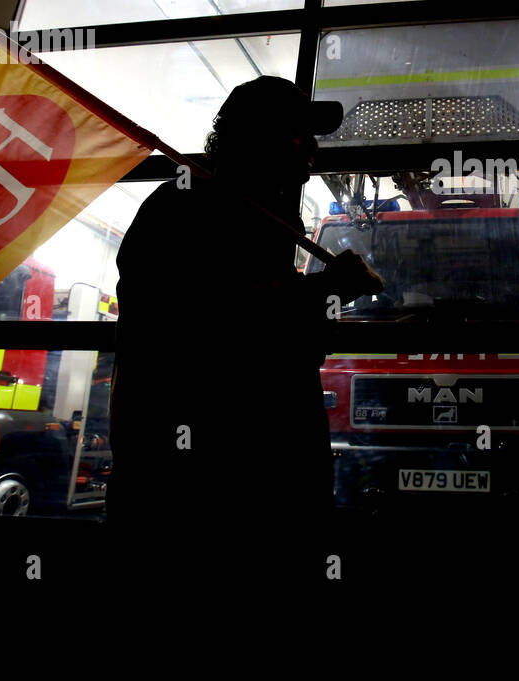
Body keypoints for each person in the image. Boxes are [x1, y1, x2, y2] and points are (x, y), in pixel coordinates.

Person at [107, 76, 382, 590]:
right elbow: (228, 335)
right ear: (256, 137)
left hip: (267, 481)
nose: (314, 148)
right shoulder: (183, 211)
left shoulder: (263, 220)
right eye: (299, 134)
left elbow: (284, 340)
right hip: (198, 490)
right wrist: (331, 289)